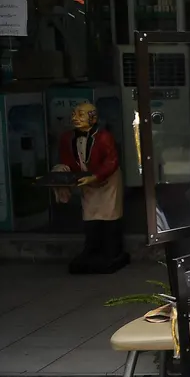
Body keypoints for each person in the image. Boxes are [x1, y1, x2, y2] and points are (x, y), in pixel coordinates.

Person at [52, 102, 128, 274]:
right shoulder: (67, 138)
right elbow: (66, 160)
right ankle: (92, 249)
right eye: (74, 114)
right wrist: (61, 170)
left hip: (108, 180)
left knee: (110, 214)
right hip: (86, 179)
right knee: (90, 213)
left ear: (93, 118)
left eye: (80, 114)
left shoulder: (104, 137)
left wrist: (95, 176)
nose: (75, 118)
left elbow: (111, 161)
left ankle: (112, 251)